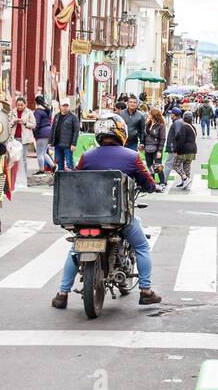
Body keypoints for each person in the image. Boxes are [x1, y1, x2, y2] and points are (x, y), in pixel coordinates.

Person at [51, 112, 162, 309]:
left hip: (85, 217)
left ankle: (62, 294)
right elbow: (148, 183)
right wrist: (151, 186)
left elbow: (75, 181)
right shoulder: (133, 157)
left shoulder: (86, 157)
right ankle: (145, 291)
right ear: (121, 132)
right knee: (142, 247)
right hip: (118, 219)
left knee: (74, 250)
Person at [167, 110, 197, 191]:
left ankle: (185, 178)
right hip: (193, 149)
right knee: (187, 166)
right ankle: (186, 183)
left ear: (184, 119)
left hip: (184, 149)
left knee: (175, 165)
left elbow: (181, 140)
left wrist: (176, 150)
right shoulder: (192, 127)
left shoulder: (184, 127)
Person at [51, 98, 80, 171]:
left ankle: (71, 179)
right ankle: (61, 179)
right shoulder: (57, 116)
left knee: (69, 163)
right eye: (63, 106)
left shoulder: (73, 117)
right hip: (57, 144)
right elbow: (53, 129)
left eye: (67, 106)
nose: (65, 107)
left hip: (68, 145)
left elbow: (76, 131)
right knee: (59, 162)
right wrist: (50, 141)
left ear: (69, 106)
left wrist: (74, 144)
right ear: (60, 106)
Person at [143, 107, 168, 190]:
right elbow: (144, 135)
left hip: (156, 148)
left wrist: (160, 150)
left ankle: (162, 182)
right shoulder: (147, 124)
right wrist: (142, 144)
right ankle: (152, 182)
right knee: (150, 166)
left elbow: (162, 138)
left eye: (150, 114)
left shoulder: (161, 125)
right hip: (147, 147)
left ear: (153, 115)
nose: (148, 115)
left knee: (157, 166)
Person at [32, 94, 53, 173]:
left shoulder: (38, 111)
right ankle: (53, 166)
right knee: (44, 152)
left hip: (41, 133)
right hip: (49, 132)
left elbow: (36, 124)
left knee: (39, 154)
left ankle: (41, 170)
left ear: (36, 103)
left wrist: (34, 132)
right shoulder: (47, 110)